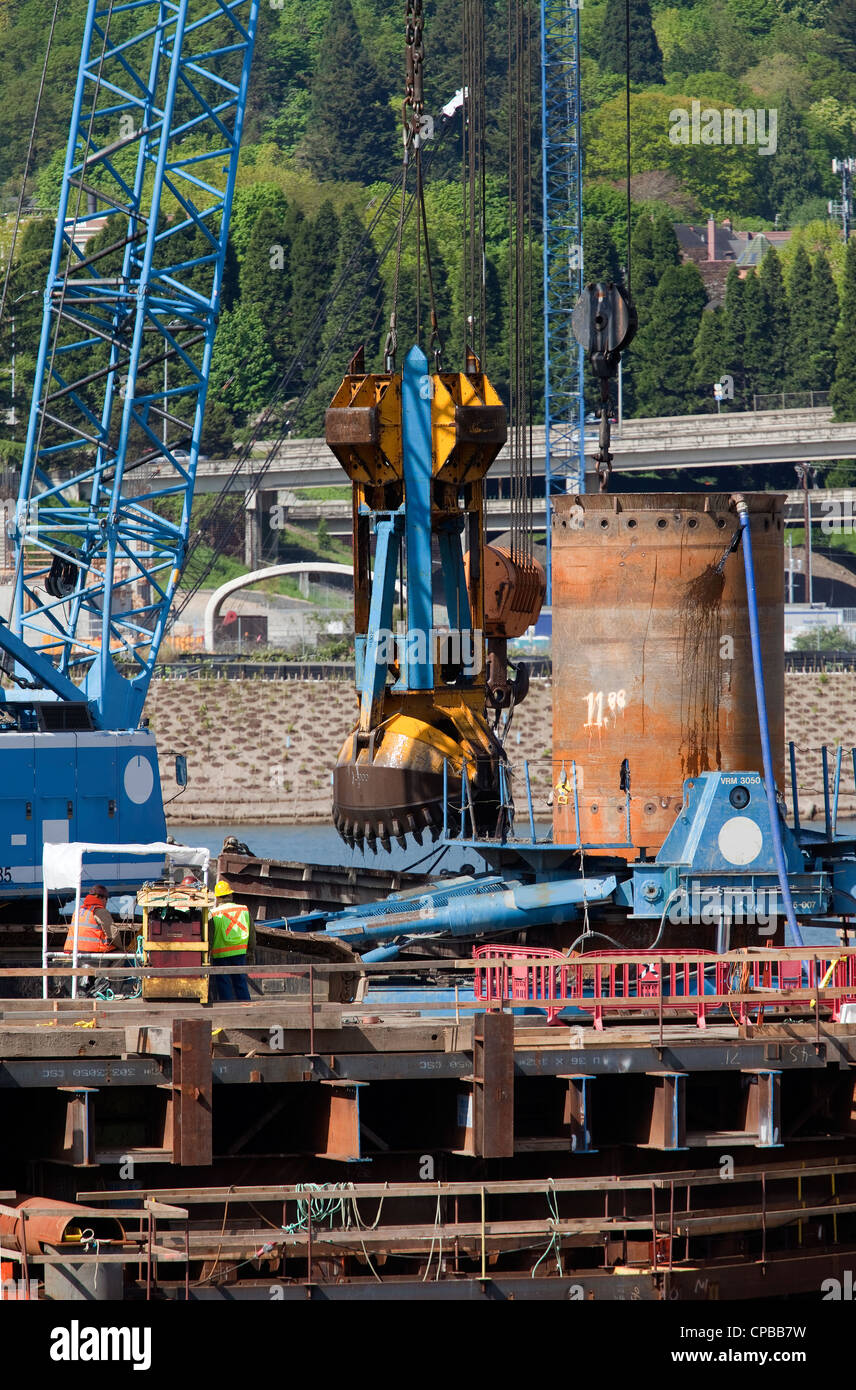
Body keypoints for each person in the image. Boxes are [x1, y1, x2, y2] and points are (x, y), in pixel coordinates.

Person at [209, 879, 253, 1002]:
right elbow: (252, 934)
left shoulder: (213, 913)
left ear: (217, 898)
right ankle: (246, 1010)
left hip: (220, 954)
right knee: (240, 982)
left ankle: (227, 1011)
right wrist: (251, 951)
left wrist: (208, 953)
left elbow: (210, 936)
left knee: (224, 985)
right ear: (230, 895)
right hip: (239, 952)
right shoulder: (243, 910)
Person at [62, 884, 120, 956]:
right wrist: (121, 947)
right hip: (93, 952)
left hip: (72, 952)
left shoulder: (78, 911)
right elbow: (113, 933)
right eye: (106, 899)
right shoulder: (100, 911)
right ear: (102, 898)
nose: (106, 903)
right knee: (121, 956)